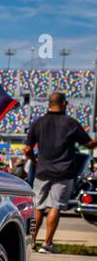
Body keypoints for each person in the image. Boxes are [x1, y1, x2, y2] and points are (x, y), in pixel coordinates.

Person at [21, 92, 97, 252]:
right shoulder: (70, 123)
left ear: (49, 103)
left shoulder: (38, 123)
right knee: (55, 206)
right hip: (63, 172)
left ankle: (31, 243)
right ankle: (47, 244)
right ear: (64, 103)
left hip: (42, 172)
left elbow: (27, 149)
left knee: (39, 207)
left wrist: (35, 162)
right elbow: (89, 144)